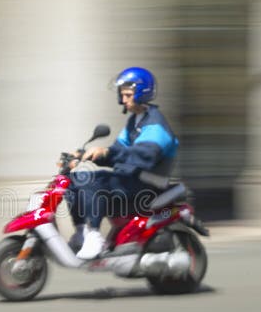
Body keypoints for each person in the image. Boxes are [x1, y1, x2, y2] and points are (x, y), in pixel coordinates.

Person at [68, 67, 179, 259]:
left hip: (148, 184)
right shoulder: (133, 122)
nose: (124, 99)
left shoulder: (155, 122)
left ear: (142, 93)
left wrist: (108, 152)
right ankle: (82, 232)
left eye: (128, 94)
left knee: (95, 183)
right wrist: (85, 154)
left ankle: (95, 237)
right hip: (130, 180)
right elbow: (117, 153)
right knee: (74, 180)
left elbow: (146, 155)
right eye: (122, 95)